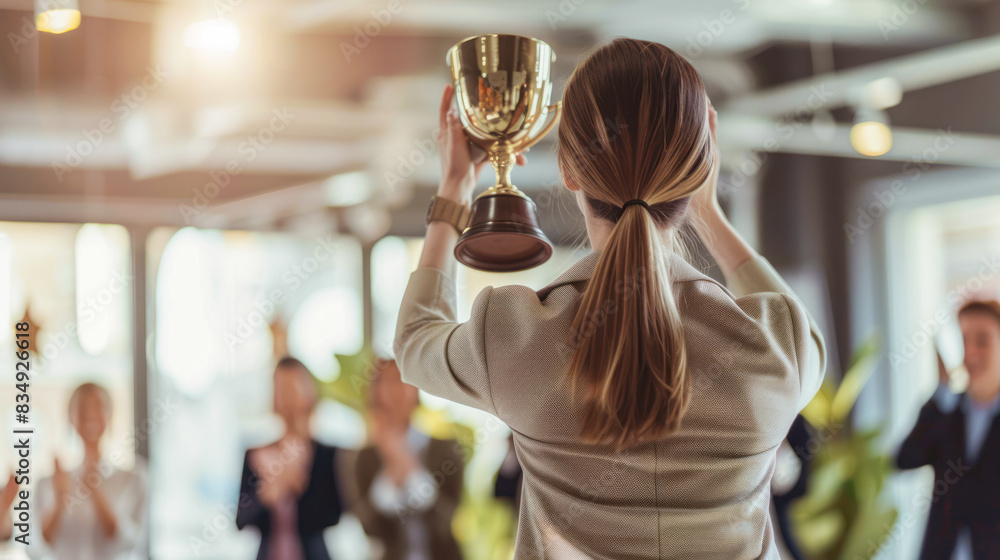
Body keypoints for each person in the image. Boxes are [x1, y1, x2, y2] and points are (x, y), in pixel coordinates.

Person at [393, 37, 826, 559]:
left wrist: (456, 191)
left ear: (568, 170)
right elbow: (803, 335)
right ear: (698, 169)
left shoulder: (516, 337)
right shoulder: (776, 350)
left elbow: (415, 340)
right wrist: (707, 212)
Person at [897, 299, 1000, 559]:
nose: (971, 353)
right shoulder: (947, 411)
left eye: (982, 341)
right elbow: (904, 458)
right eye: (964, 341)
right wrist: (942, 390)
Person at [344, 359, 464, 560]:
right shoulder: (362, 458)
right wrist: (391, 474)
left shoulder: (447, 449)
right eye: (387, 381)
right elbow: (369, 527)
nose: (395, 390)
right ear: (375, 393)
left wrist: (409, 468)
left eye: (402, 379)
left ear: (416, 389)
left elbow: (446, 520)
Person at [236, 356, 345, 560]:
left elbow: (333, 516)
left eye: (293, 386)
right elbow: (241, 520)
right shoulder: (257, 454)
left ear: (309, 391)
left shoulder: (328, 455)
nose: (288, 396)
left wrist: (298, 484)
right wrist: (266, 495)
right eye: (281, 387)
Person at [28, 383, 147, 560]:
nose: (90, 415)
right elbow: (34, 548)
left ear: (110, 416)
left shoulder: (133, 478)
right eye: (82, 408)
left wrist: (95, 492)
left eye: (98, 408)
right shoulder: (50, 481)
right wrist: (59, 502)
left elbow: (131, 543)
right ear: (70, 418)